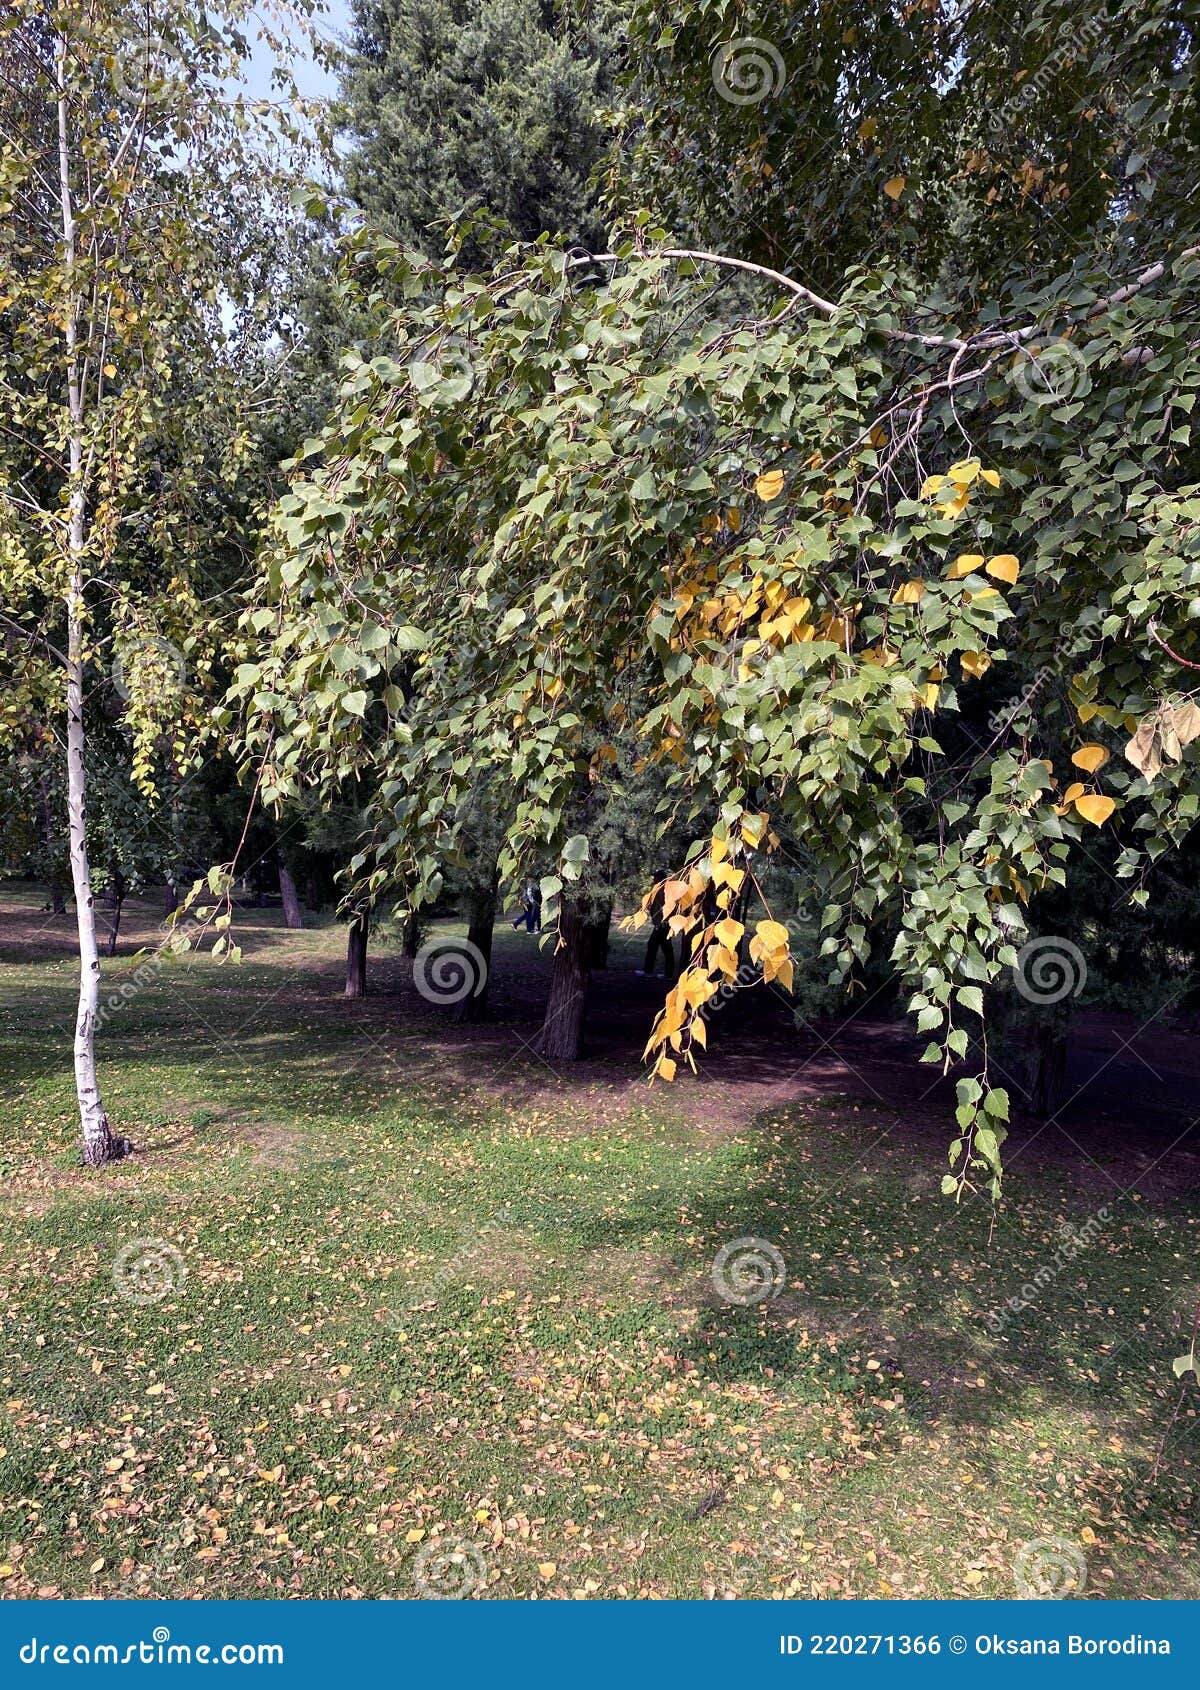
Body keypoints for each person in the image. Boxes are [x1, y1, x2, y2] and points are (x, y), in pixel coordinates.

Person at [636, 876, 675, 979]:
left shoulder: (661, 891)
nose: (653, 880)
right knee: (665, 948)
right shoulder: (662, 890)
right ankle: (667, 973)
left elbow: (661, 908)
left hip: (662, 924)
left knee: (655, 946)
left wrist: (659, 922)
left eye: (655, 878)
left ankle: (650, 972)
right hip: (663, 924)